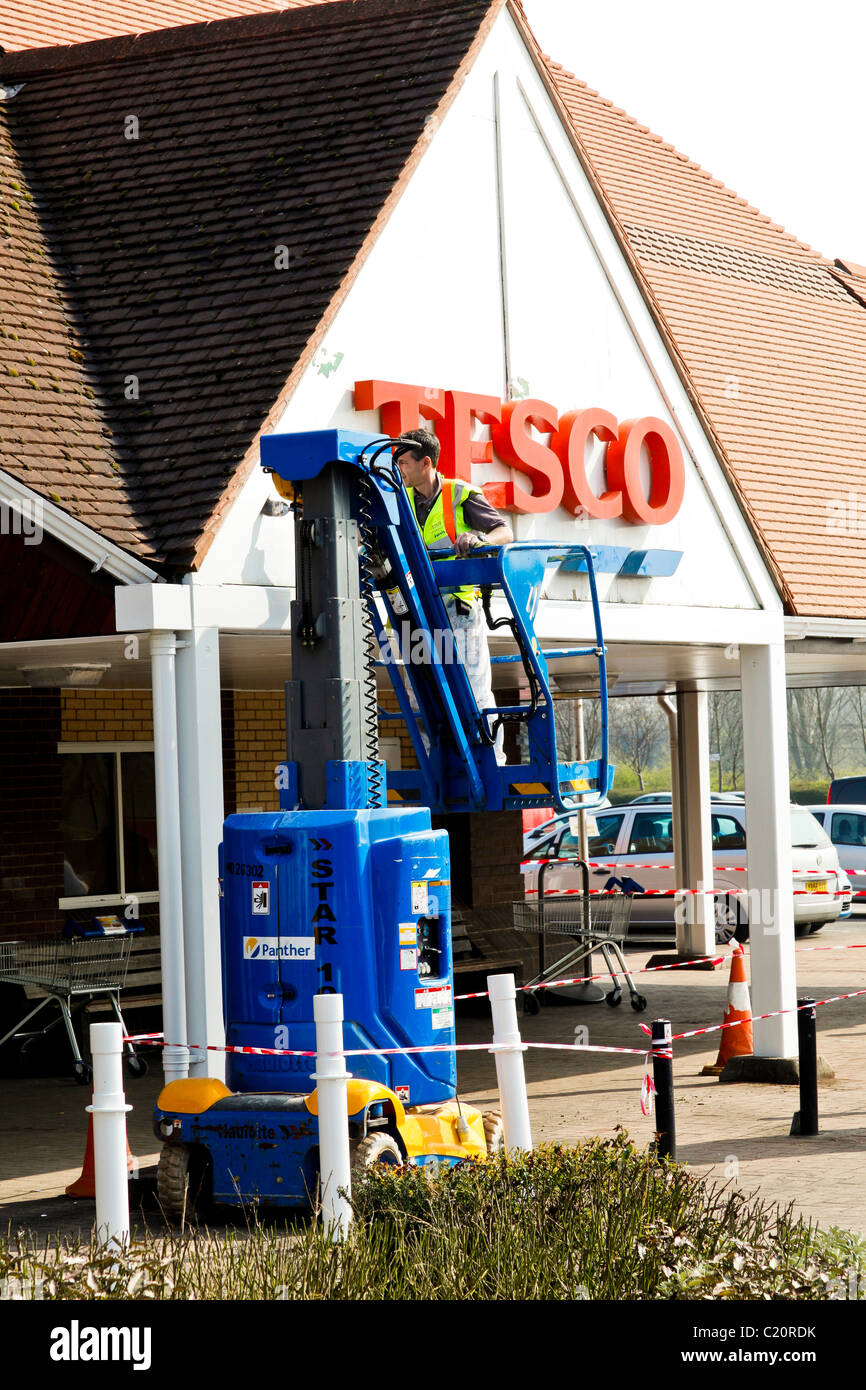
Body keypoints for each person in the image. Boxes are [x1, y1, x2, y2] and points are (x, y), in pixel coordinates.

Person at [397, 427, 513, 764]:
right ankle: (438, 761)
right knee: (419, 693)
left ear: (426, 463)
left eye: (405, 462)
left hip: (456, 607)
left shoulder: (459, 493)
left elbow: (504, 533)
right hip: (415, 611)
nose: (400, 469)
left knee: (473, 688)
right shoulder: (397, 500)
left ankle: (491, 760)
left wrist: (478, 540)